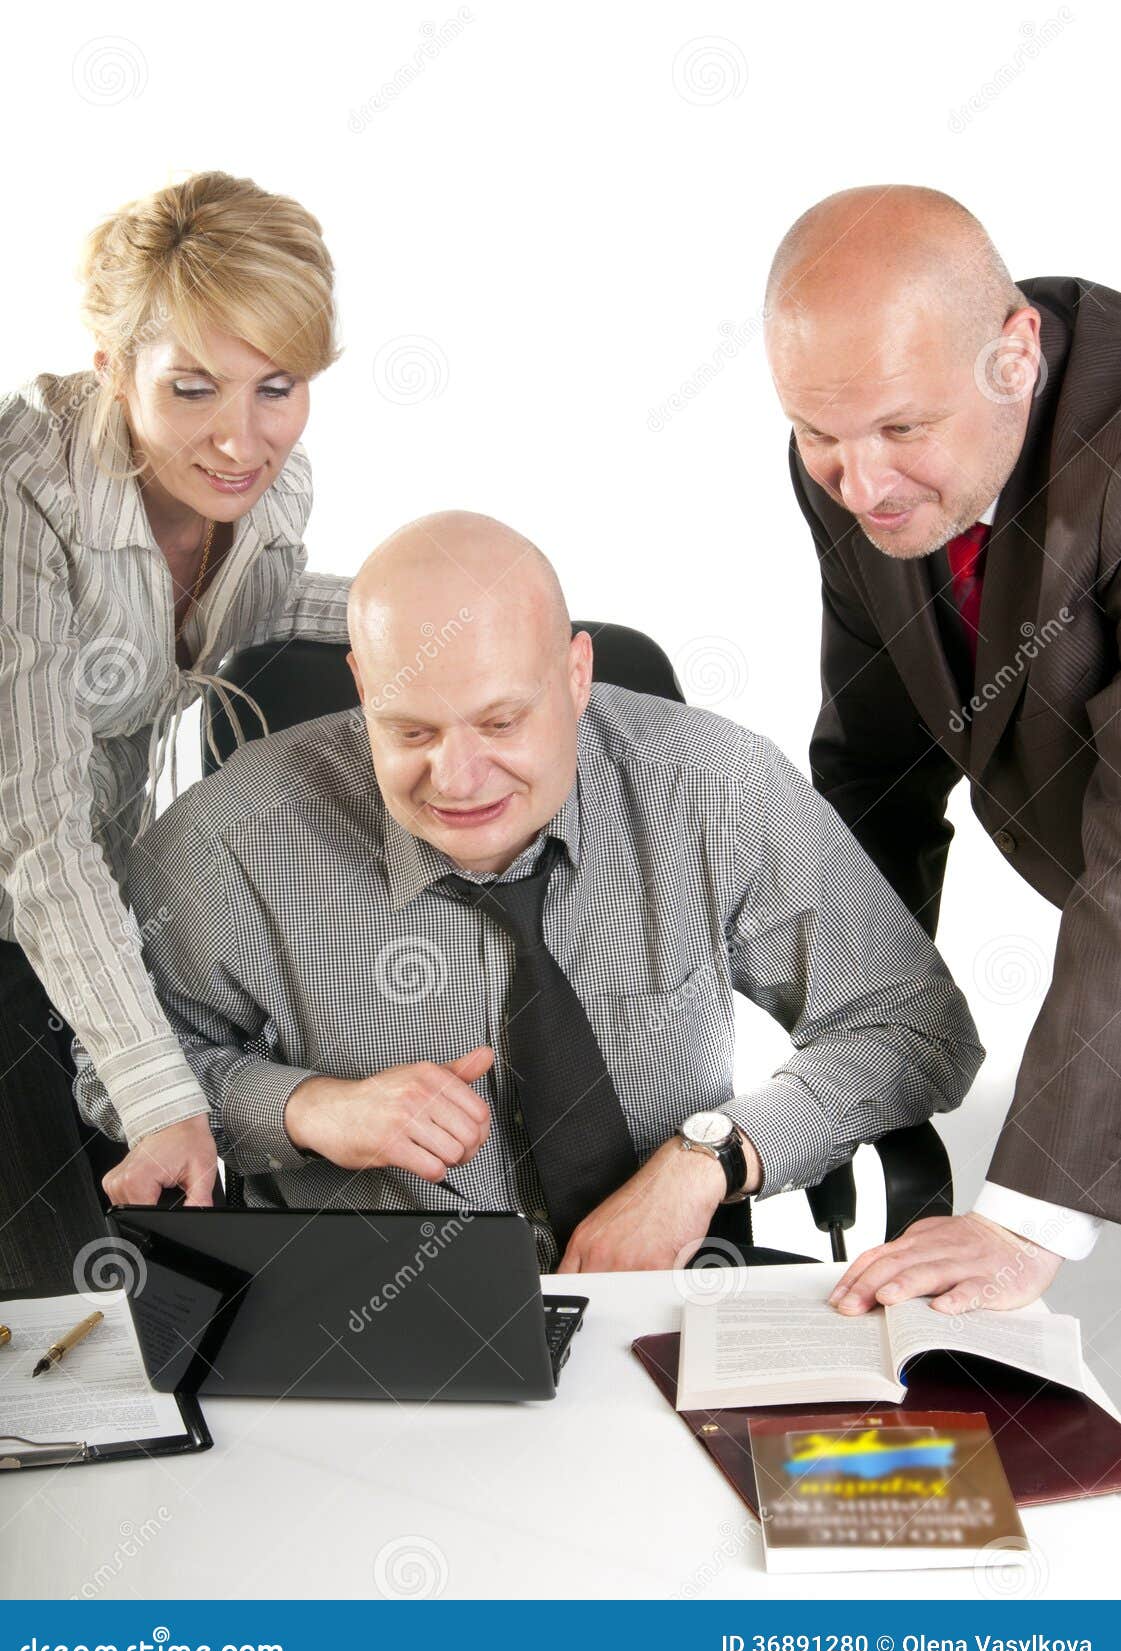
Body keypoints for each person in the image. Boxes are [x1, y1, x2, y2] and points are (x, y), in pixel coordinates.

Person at [77, 511, 983, 1273]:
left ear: (577, 674)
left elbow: (910, 1022)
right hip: (360, 1326)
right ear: (362, 685)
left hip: (668, 1293)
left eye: (501, 721)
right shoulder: (228, 840)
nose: (457, 775)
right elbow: (107, 1067)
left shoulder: (712, 785)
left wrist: (711, 1156)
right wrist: (305, 1108)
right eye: (410, 728)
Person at [765, 183, 1121, 1316]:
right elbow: (873, 760)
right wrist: (846, 1057)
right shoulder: (855, 457)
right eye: (817, 435)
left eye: (898, 432)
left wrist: (1022, 1218)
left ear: (1012, 356)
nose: (858, 485)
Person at [0, 171, 352, 1291]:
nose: (240, 440)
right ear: (112, 368)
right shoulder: (26, 499)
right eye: (193, 388)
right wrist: (158, 1099)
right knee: (50, 1318)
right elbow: (40, 838)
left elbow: (248, 628)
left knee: (170, 1298)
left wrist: (460, 616)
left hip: (85, 919)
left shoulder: (270, 490)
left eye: (277, 387)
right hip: (26, 900)